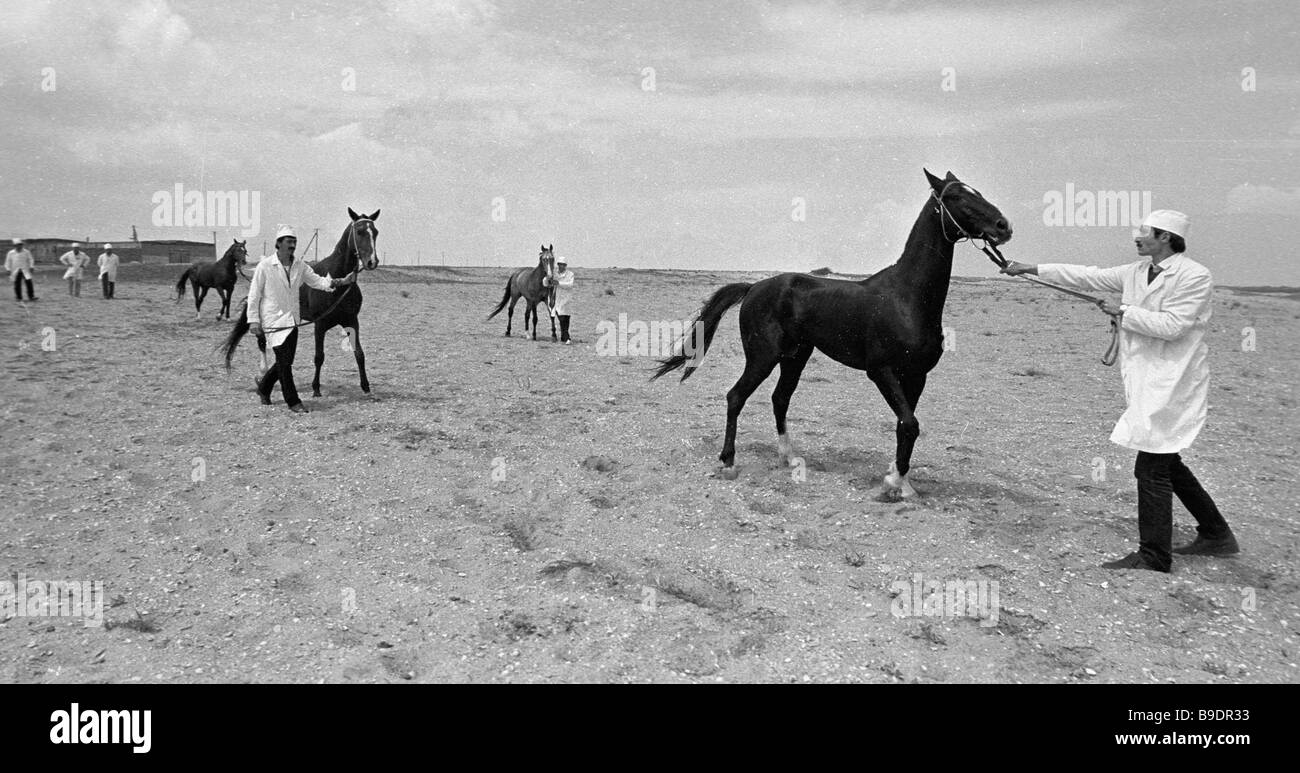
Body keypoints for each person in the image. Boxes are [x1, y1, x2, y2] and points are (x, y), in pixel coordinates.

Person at [1001, 210, 1238, 573]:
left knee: (1151, 468)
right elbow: (1086, 275)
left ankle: (1155, 556)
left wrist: (1124, 310)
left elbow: (1174, 326)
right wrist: (1029, 269)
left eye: (1144, 232)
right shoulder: (1135, 272)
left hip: (1175, 383)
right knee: (1167, 461)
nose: (1136, 237)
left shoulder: (1194, 276)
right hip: (1147, 380)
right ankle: (1217, 535)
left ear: (1166, 237)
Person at [246, 225, 355, 413]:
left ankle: (264, 388)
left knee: (284, 361)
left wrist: (342, 281)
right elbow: (254, 294)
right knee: (285, 363)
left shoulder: (300, 266)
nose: (292, 245)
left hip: (292, 320)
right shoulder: (265, 266)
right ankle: (293, 401)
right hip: (273, 320)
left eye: (294, 242)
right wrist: (253, 320)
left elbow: (318, 281)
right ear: (278, 244)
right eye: (289, 242)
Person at [552, 255, 575, 344]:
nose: (561, 266)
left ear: (565, 265)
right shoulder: (554, 274)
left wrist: (559, 283)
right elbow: (546, 283)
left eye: (563, 264)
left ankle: (563, 336)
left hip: (567, 299)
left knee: (566, 319)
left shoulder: (570, 274)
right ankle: (567, 337)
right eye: (560, 264)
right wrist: (546, 279)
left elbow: (570, 284)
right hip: (557, 299)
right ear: (558, 265)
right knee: (561, 318)